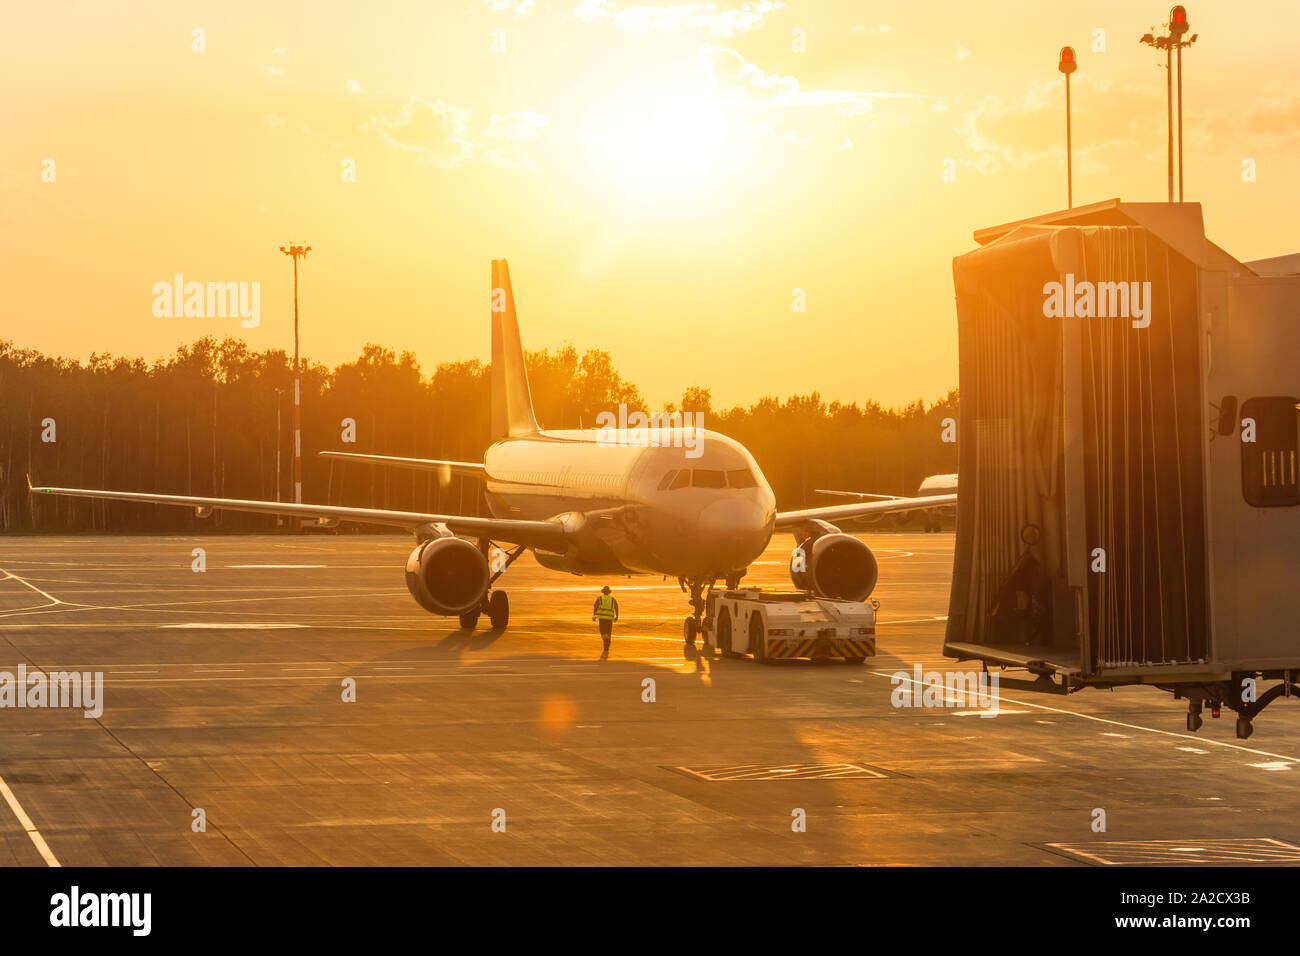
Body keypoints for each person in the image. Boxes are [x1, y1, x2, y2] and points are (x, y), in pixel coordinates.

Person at [592, 585, 619, 659]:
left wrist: (594, 616)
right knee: (609, 632)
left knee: (603, 632)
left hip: (602, 619)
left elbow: (595, 607)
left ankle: (605, 642)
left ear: (603, 592)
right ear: (609, 592)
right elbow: (616, 607)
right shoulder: (613, 599)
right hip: (609, 619)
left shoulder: (599, 598)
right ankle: (607, 646)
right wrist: (617, 616)